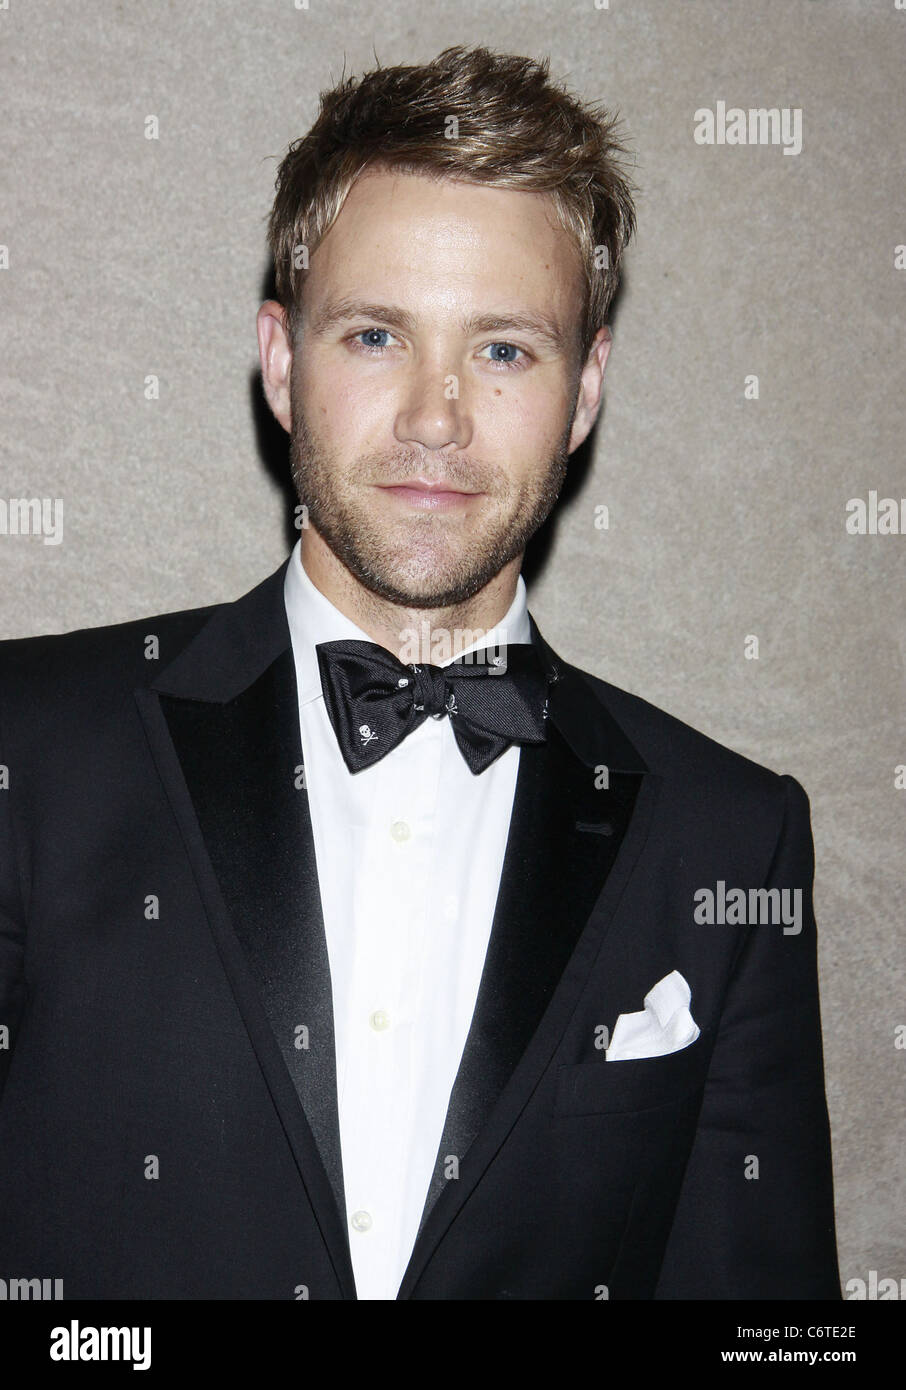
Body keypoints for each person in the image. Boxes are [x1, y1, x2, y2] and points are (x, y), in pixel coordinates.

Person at [0, 45, 839, 1300]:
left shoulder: (732, 839)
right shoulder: (33, 751)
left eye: (503, 350)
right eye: (378, 334)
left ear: (585, 390)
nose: (436, 417)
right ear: (282, 364)